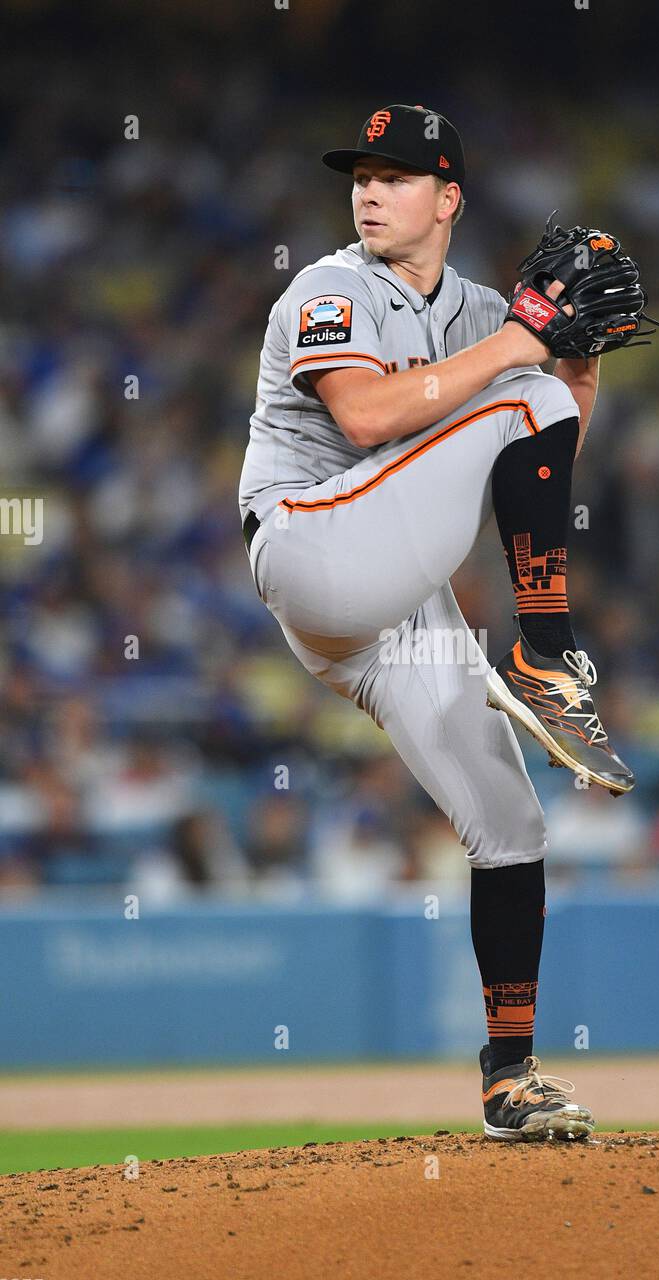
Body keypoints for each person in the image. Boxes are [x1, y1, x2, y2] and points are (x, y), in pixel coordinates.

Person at [239, 103, 634, 1140]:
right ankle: (546, 655)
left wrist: (577, 371)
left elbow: (541, 450)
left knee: (509, 825)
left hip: (397, 599)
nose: (368, 189)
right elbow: (365, 418)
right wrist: (523, 344)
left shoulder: (470, 308)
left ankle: (510, 1076)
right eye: (360, 173)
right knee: (519, 388)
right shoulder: (329, 286)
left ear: (447, 197)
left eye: (396, 174)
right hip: (313, 547)